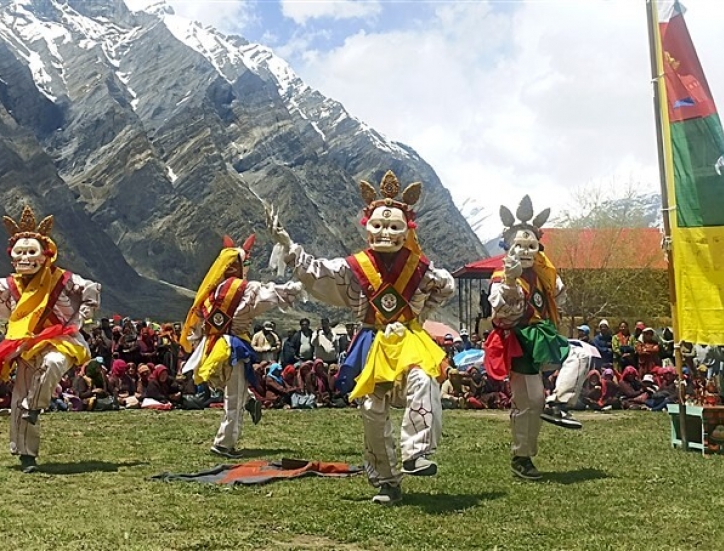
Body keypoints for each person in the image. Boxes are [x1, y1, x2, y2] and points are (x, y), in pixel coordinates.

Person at [267, 170, 455, 505]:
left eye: (394, 226)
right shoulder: (353, 267)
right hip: (372, 340)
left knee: (423, 381)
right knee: (372, 409)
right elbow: (318, 271)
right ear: (367, 226)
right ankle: (387, 480)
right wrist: (287, 245)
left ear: (407, 230)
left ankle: (417, 452)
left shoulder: (420, 268)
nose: (385, 232)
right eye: (379, 226)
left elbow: (445, 286)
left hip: (409, 339)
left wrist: (421, 314)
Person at [0, 205, 100, 473]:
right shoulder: (10, 286)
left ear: (46, 254)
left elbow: (90, 289)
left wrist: (82, 314)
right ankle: (26, 455)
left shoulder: (63, 280)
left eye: (31, 252)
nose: (25, 257)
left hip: (62, 339)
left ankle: (35, 405)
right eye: (20, 252)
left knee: (51, 364)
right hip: (27, 346)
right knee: (19, 398)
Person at [485, 196, 588, 481]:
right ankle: (522, 457)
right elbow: (503, 312)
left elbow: (559, 298)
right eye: (520, 245)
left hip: (543, 335)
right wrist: (509, 283)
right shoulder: (502, 277)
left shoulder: (544, 274)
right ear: (508, 247)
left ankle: (559, 403)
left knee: (582, 354)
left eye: (532, 246)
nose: (526, 251)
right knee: (530, 400)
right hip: (520, 340)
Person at [180, 234, 303, 459]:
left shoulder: (210, 292)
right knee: (233, 396)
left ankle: (250, 400)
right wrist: (296, 286)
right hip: (234, 346)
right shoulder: (244, 289)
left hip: (213, 347)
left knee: (233, 389)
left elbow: (198, 324)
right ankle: (224, 443)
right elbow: (266, 298)